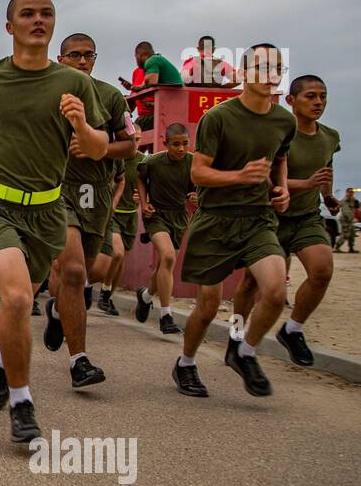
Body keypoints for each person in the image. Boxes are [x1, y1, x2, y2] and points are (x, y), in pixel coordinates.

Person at [0, 0, 108, 444]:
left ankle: (0, 362)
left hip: (48, 212)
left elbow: (96, 149)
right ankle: (22, 401)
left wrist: (81, 125)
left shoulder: (75, 84)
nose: (38, 20)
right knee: (16, 299)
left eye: (47, 14)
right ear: (9, 26)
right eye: (28, 14)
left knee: (21, 303)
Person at [173, 43, 295, 398]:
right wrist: (241, 177)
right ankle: (186, 363)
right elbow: (199, 173)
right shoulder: (219, 117)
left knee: (274, 292)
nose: (270, 73)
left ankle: (243, 351)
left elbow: (281, 158)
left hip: (258, 219)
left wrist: (282, 189)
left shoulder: (283, 121)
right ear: (243, 74)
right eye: (261, 65)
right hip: (215, 221)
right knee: (207, 307)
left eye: (277, 66)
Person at [41, 34, 136, 387]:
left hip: (95, 194)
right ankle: (79, 361)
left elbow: (130, 146)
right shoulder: (48, 94)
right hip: (55, 190)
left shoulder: (111, 96)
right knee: (75, 271)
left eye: (88, 55)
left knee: (97, 268)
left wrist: (99, 148)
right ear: (61, 59)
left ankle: (56, 309)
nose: (82, 61)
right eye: (74, 55)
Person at [231, 75, 339, 367]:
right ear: (291, 101)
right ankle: (235, 336)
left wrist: (327, 196)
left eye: (323, 96)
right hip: (270, 219)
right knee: (249, 286)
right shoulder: (276, 134)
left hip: (306, 218)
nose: (318, 102)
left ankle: (292, 330)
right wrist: (304, 184)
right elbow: (264, 177)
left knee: (322, 271)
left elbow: (326, 169)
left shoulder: (330, 137)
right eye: (311, 96)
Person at [133, 123, 194, 334]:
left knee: (164, 266)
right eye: (176, 144)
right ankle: (166, 315)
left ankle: (146, 296)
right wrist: (144, 202)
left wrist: (195, 196)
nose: (181, 149)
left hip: (178, 217)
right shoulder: (153, 162)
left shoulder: (192, 162)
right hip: (156, 215)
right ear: (165, 143)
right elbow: (140, 179)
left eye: (185, 144)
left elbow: (196, 189)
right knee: (167, 257)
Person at [96, 149, 145, 315]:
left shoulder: (143, 161)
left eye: (138, 139)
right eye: (133, 138)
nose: (135, 143)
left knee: (121, 259)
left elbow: (147, 184)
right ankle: (100, 290)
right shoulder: (114, 156)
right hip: (113, 214)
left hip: (130, 216)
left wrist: (143, 198)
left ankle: (107, 297)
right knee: (117, 253)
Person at [125, 42, 182, 134]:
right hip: (161, 113)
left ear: (141, 54)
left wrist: (142, 97)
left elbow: (151, 82)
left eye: (136, 57)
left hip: (160, 115)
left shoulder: (152, 61)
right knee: (131, 129)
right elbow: (144, 86)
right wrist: (134, 89)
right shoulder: (144, 69)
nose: (136, 60)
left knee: (132, 135)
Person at [336, 187, 358, 253]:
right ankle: (337, 247)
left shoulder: (353, 200)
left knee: (352, 234)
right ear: (346, 193)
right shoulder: (344, 201)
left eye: (352, 192)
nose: (351, 193)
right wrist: (351, 218)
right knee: (345, 233)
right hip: (345, 219)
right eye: (349, 192)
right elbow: (346, 211)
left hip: (350, 220)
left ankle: (351, 248)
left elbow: (357, 207)